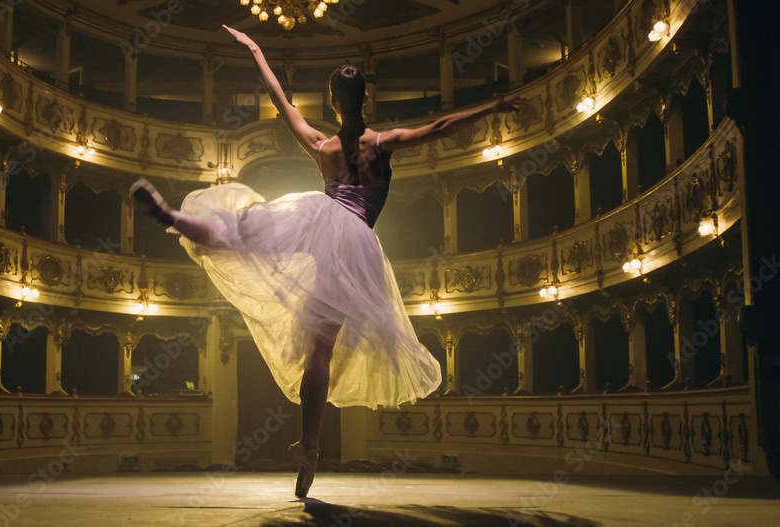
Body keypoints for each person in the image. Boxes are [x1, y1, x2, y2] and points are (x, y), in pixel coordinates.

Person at [131, 24, 525, 497]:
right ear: (364, 99)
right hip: (355, 241)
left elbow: (281, 102)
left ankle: (173, 216)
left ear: (335, 103)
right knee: (320, 351)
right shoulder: (379, 143)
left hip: (317, 221)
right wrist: (494, 106)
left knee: (241, 232)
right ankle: (311, 445)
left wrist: (256, 49)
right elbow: (439, 128)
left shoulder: (323, 146)